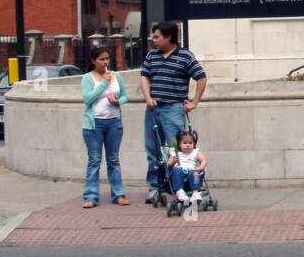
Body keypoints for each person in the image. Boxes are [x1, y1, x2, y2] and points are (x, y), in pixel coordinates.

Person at [140, 21, 207, 203]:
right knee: (153, 149)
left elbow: (201, 77)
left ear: (168, 37)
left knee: (176, 150)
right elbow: (145, 76)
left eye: (157, 37)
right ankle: (154, 187)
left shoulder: (184, 55)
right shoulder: (152, 55)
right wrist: (148, 97)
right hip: (154, 109)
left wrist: (194, 101)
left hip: (173, 109)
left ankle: (179, 186)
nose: (153, 40)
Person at [81, 46, 129, 208]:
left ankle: (118, 194)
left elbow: (124, 96)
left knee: (113, 160)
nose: (105, 62)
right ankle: (91, 196)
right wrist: (103, 84)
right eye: (101, 59)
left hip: (114, 122)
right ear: (94, 61)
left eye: (107, 58)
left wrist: (118, 102)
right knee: (94, 160)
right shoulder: (88, 78)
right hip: (94, 124)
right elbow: (87, 99)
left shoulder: (116, 76)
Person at [167, 129, 208, 205]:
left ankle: (195, 193)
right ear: (179, 144)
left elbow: (203, 160)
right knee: (176, 171)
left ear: (194, 144)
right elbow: (168, 164)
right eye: (185, 143)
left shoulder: (195, 152)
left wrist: (200, 167)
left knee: (195, 174)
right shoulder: (175, 152)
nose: (188, 145)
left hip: (191, 170)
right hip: (179, 169)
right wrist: (172, 161)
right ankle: (180, 191)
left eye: (190, 143)